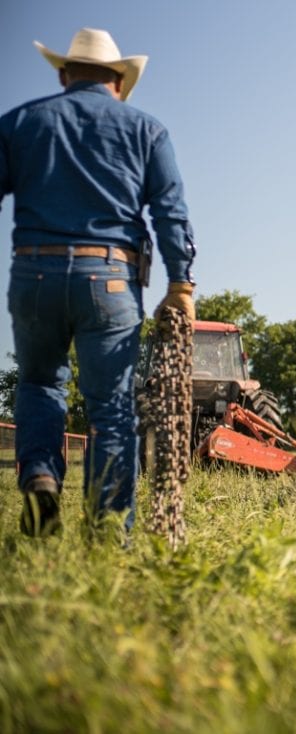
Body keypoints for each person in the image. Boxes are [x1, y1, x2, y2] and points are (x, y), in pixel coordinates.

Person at [0, 28, 196, 537]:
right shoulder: (146, 130)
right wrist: (181, 286)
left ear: (64, 75)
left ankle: (41, 475)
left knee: (41, 383)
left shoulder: (21, 121)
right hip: (109, 277)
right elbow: (171, 214)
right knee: (111, 406)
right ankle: (108, 527)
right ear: (119, 81)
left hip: (33, 272)